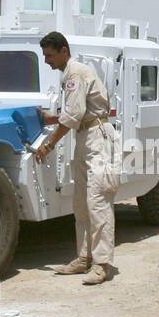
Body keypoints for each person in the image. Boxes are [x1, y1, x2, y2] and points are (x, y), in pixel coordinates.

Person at [33, 31, 118, 285]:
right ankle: (83, 258)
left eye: (49, 55)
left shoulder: (75, 73)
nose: (46, 61)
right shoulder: (69, 75)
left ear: (63, 51)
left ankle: (101, 264)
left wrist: (48, 145)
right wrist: (50, 117)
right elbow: (72, 113)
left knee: (97, 201)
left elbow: (73, 115)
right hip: (85, 137)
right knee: (81, 202)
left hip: (97, 138)